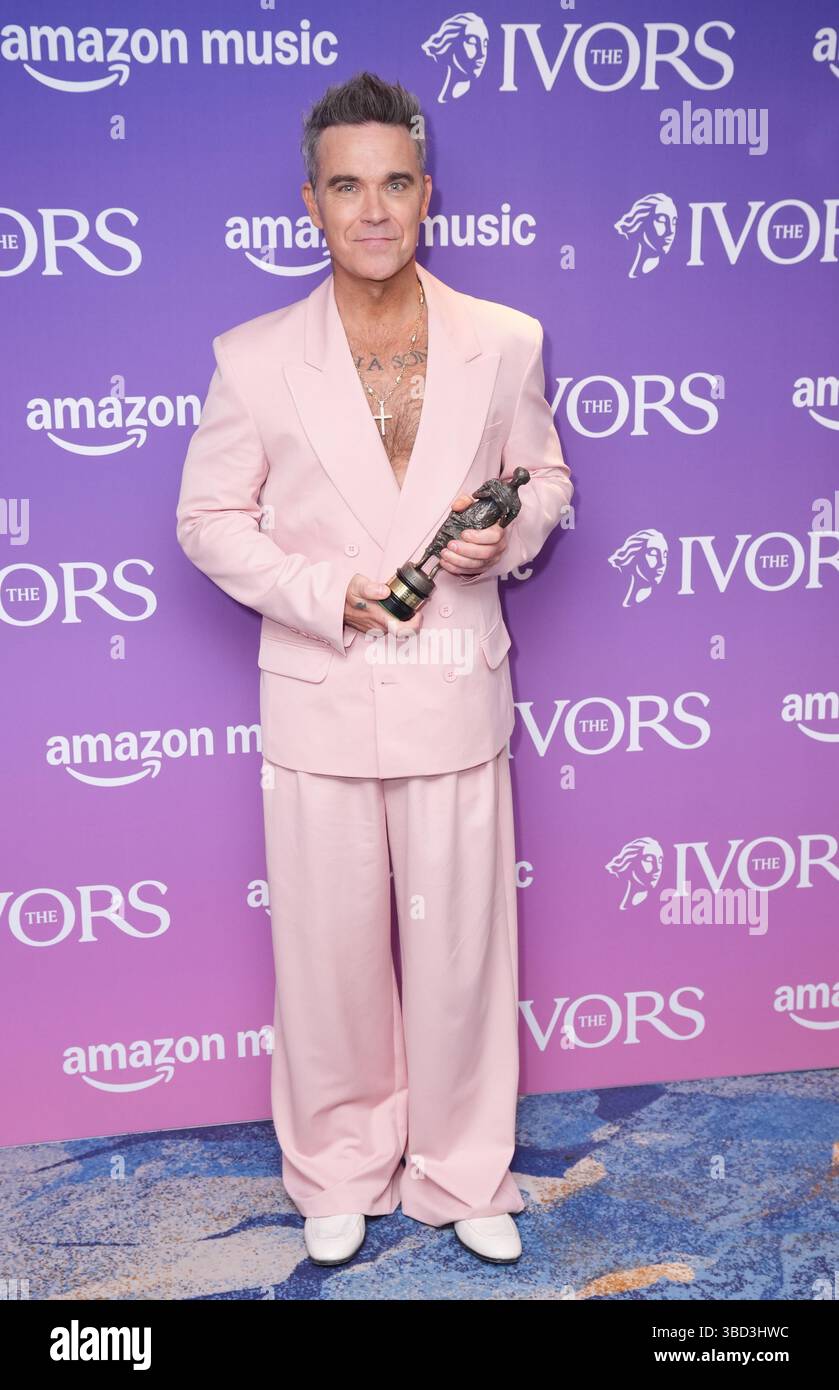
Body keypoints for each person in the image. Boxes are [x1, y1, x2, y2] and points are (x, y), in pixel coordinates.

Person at [176, 71, 573, 1267]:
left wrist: (514, 534)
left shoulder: (505, 341)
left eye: (393, 183)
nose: (371, 209)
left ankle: (461, 1171)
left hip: (457, 684)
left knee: (459, 955)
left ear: (425, 195)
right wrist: (324, 594)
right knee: (328, 956)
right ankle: (340, 1164)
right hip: (321, 694)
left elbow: (545, 476)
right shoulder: (251, 357)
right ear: (311, 202)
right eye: (346, 185)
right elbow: (208, 519)